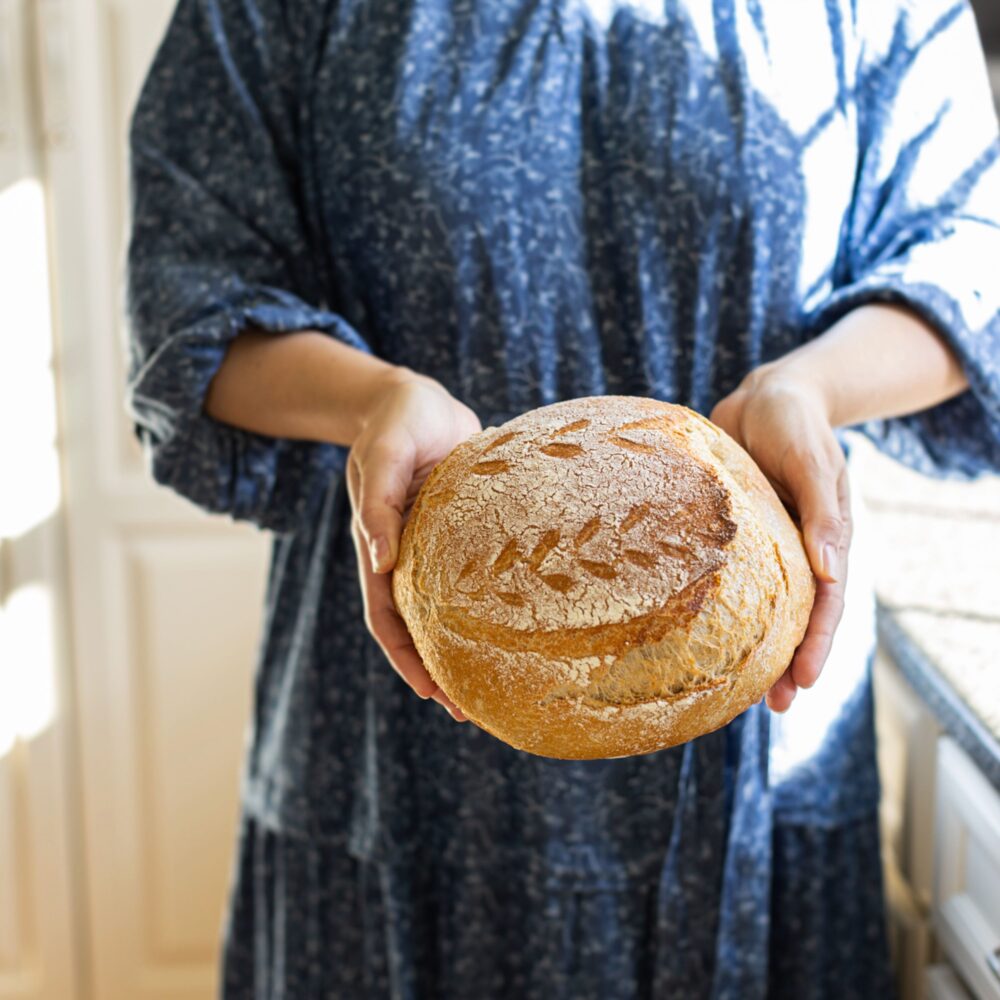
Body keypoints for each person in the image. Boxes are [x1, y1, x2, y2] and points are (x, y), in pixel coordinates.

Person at [124, 0, 1000, 996]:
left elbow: (972, 265)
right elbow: (184, 301)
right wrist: (373, 402)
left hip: (749, 716)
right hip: (404, 709)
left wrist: (809, 387)